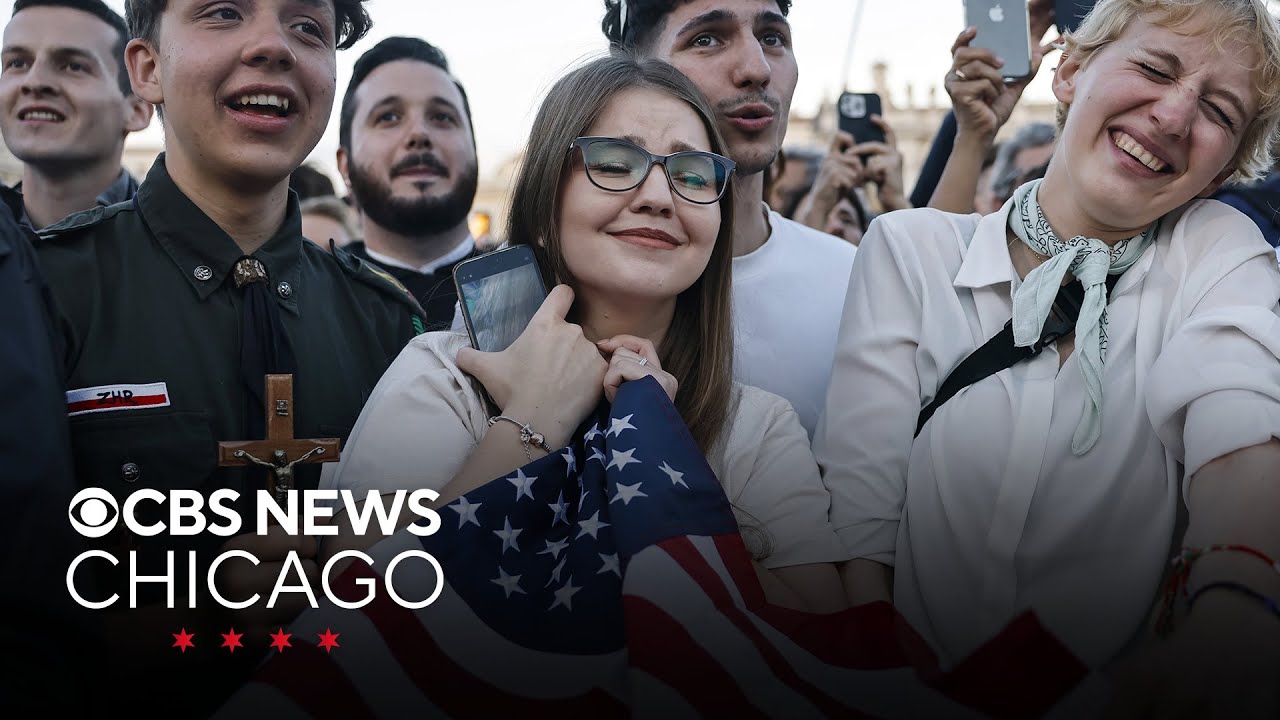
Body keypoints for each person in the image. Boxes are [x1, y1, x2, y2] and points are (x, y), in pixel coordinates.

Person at [816, 0, 1280, 715]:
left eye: (1219, 110)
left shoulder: (1219, 255)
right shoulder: (910, 251)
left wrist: (1233, 614)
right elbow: (858, 532)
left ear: (1224, 172)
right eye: (1155, 68)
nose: (1173, 116)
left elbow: (1242, 431)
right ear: (1068, 71)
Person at [321, 54, 849, 614]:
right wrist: (535, 420)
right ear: (545, 208)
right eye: (616, 163)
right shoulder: (446, 376)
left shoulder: (758, 425)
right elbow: (360, 600)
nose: (657, 196)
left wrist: (658, 461)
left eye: (693, 174)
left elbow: (821, 634)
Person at [33, 0, 423, 713]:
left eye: (308, 27)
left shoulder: (388, 323)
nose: (272, 46)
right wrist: (196, 610)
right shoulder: (42, 293)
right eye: (222, 13)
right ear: (146, 69)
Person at [601, 0, 856, 439]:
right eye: (706, 39)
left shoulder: (855, 278)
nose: (756, 68)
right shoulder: (553, 297)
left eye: (772, 38)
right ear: (634, 68)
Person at [337, 36, 479, 330]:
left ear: (474, 149)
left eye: (442, 117)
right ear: (345, 165)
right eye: (388, 117)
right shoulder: (300, 307)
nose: (419, 134)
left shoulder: (551, 292)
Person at [0, 0, 153, 229]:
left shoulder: (187, 250)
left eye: (73, 66)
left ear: (136, 111)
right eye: (17, 63)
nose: (34, 81)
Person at [924, 0, 1057, 214]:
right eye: (1034, 178)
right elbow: (936, 240)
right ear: (999, 203)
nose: (1044, 192)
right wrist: (973, 132)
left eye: (1055, 173)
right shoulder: (972, 245)